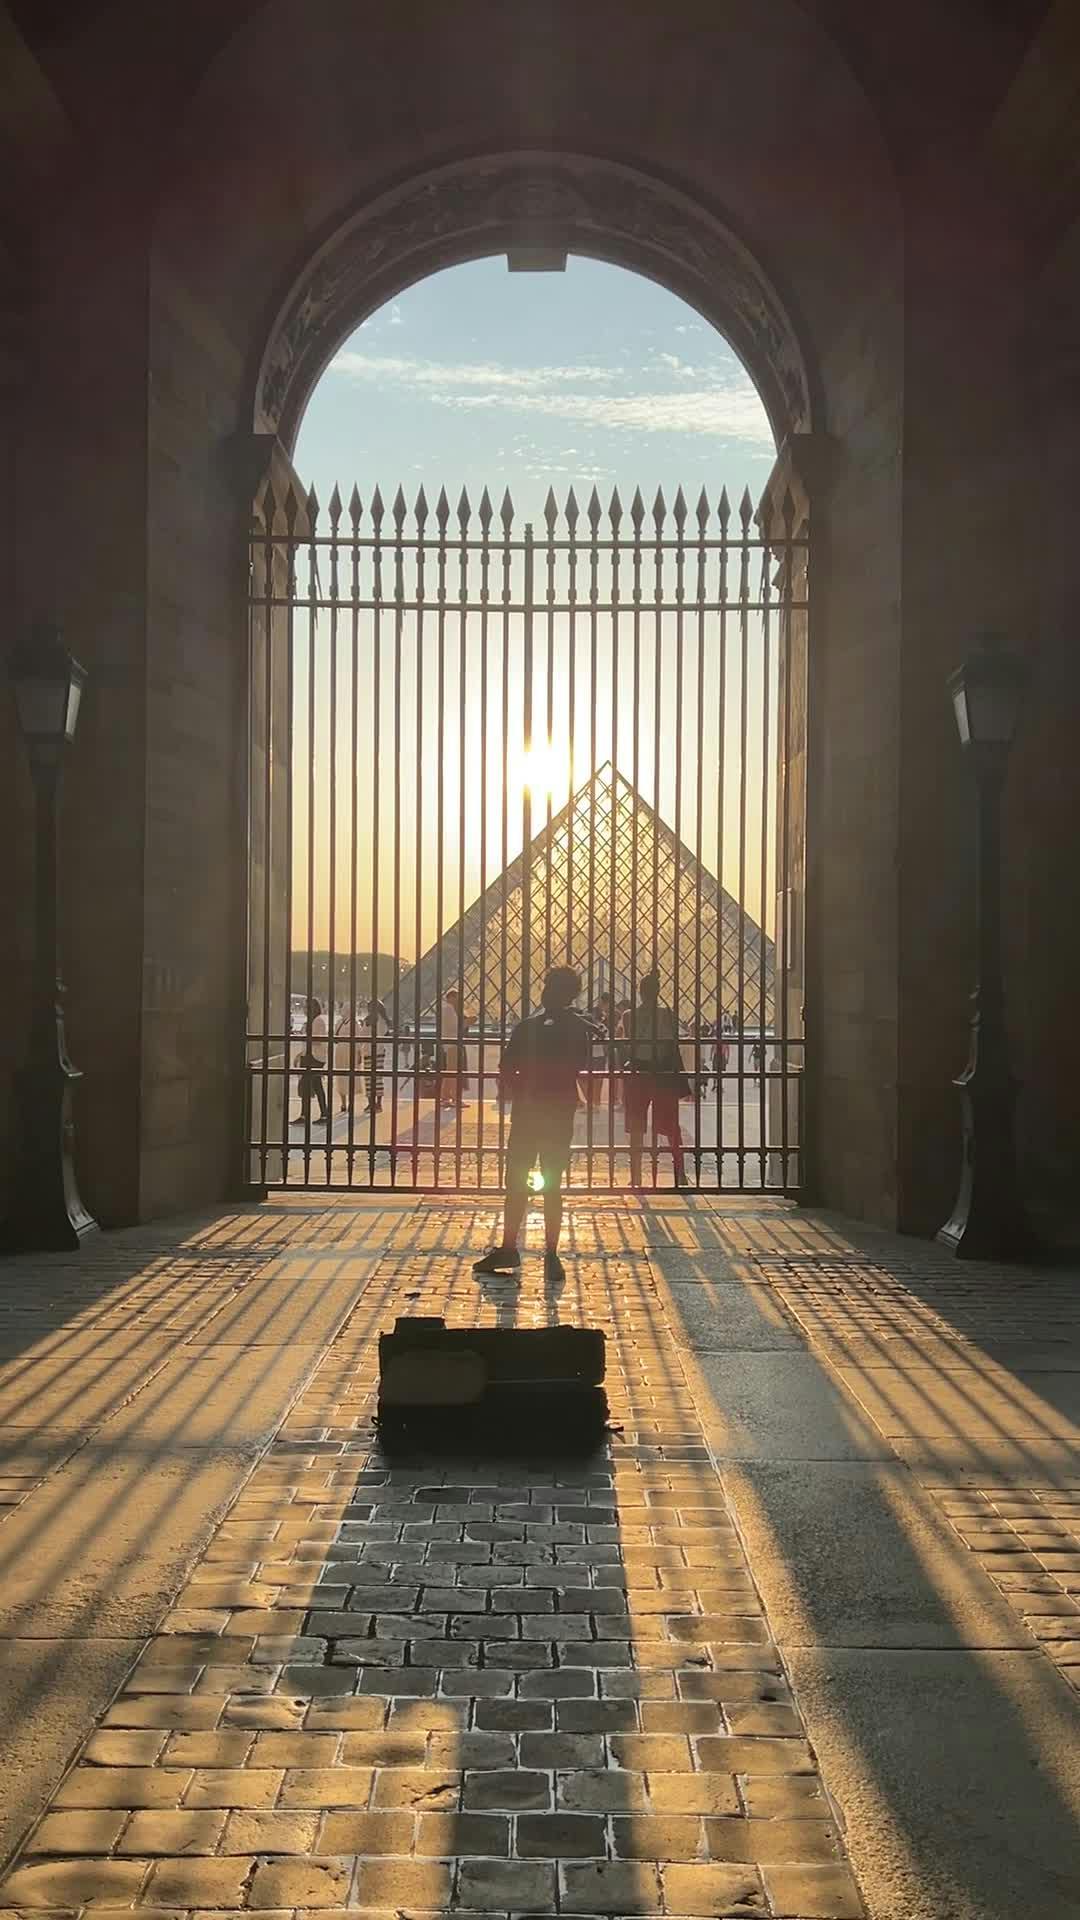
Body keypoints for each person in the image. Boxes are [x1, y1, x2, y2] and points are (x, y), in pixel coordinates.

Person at [474, 966, 596, 1286]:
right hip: (559, 1113)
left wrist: (522, 1087)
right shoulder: (578, 1029)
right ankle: (552, 1254)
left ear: (549, 990)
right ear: (573, 993)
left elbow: (505, 1068)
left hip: (528, 1112)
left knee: (516, 1180)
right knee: (553, 1183)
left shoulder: (527, 1027)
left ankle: (509, 1246)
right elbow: (581, 1065)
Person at [624, 970, 687, 1186]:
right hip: (662, 1074)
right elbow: (673, 1044)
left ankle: (635, 1176)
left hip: (638, 1075)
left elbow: (627, 1046)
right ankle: (680, 1172)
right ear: (658, 991)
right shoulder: (667, 1014)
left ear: (640, 992)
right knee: (671, 1126)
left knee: (635, 1126)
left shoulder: (628, 1016)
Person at [296, 997, 329, 1125]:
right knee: (316, 1086)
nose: (304, 1010)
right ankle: (323, 1114)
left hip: (314, 1057)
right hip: (310, 1056)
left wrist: (305, 1036)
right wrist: (300, 1054)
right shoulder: (313, 1021)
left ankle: (305, 1116)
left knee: (308, 1086)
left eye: (305, 1007)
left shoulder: (317, 1021)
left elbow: (317, 1040)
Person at [365, 997, 389, 1113]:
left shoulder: (373, 1020)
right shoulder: (382, 1021)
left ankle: (373, 1103)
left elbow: (363, 1035)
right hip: (377, 1051)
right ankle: (376, 1103)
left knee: (371, 1079)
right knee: (376, 1078)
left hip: (371, 1051)